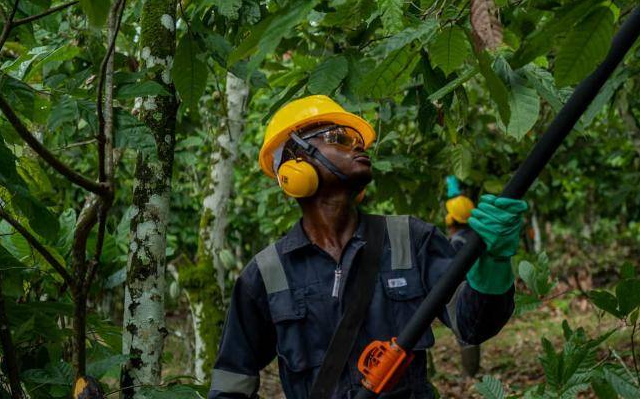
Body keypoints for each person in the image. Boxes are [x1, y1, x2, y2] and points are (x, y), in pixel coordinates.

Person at [209, 96, 529, 398]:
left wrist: (495, 262)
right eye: (340, 138)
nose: (359, 147)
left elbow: (472, 326)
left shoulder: (410, 239)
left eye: (359, 141)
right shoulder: (267, 273)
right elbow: (232, 382)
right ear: (295, 166)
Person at [441, 176, 483, 378]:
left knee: (464, 335)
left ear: (451, 219)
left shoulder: (456, 242)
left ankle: (470, 373)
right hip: (477, 287)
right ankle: (472, 371)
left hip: (462, 291)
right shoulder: (474, 238)